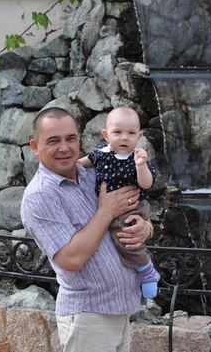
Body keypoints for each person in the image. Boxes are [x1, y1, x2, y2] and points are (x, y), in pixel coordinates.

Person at [21, 107, 154, 352]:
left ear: (79, 140)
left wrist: (146, 228)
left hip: (120, 311)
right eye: (53, 141)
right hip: (88, 317)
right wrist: (106, 212)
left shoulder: (96, 173)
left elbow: (132, 208)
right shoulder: (40, 197)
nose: (64, 147)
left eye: (70, 138)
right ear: (35, 146)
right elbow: (70, 259)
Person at [77, 106, 160, 300]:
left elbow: (146, 184)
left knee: (126, 236)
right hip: (110, 207)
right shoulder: (100, 152)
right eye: (117, 132)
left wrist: (141, 166)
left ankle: (146, 269)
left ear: (139, 136)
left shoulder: (136, 158)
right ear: (106, 135)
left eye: (131, 133)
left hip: (132, 207)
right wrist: (73, 166)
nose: (124, 138)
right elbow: (83, 162)